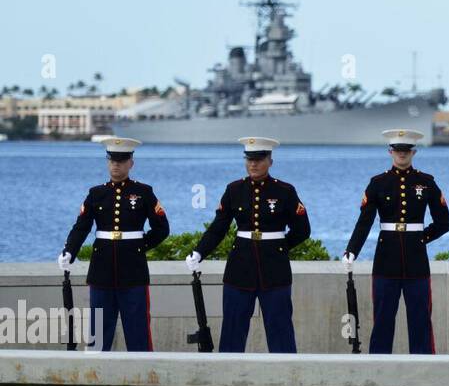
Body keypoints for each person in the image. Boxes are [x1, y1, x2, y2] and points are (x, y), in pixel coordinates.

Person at [187, 137, 310, 353]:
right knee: (233, 330)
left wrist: (279, 249)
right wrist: (199, 252)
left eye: (259, 159)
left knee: (280, 330)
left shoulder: (285, 191)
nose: (253, 164)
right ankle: (228, 382)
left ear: (270, 161)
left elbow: (303, 230)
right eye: (249, 159)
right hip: (239, 269)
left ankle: (285, 381)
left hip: (275, 271)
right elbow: (219, 227)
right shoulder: (234, 190)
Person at [342, 129, 449, 354]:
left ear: (414, 152)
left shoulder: (426, 182)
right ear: (390, 152)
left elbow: (444, 222)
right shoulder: (378, 183)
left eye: (406, 150)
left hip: (416, 261)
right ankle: (378, 367)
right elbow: (364, 222)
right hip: (386, 259)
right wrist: (352, 250)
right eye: (398, 150)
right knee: (382, 319)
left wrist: (421, 239)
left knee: (420, 319)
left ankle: (424, 368)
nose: (402, 154)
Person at [58, 137, 169, 351]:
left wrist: (139, 247)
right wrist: (69, 251)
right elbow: (81, 226)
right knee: (98, 333)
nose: (116, 164)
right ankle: (94, 381)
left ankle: (143, 378)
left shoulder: (144, 192)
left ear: (131, 163)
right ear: (108, 162)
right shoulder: (96, 193)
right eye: (112, 160)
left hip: (133, 271)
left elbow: (162, 228)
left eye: (121, 160)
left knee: (138, 332)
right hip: (102, 270)